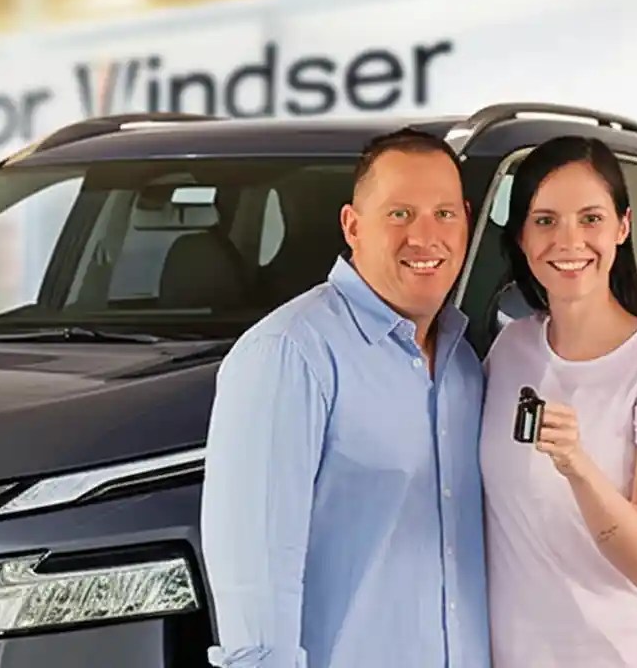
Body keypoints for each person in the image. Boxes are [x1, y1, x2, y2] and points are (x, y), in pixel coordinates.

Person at [200, 128, 491, 668]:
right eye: (400, 214)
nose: (426, 236)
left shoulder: (464, 367)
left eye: (444, 213)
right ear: (352, 227)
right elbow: (256, 580)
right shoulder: (289, 354)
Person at [479, 135, 637, 667]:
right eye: (544, 220)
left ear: (622, 227)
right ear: (520, 236)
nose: (568, 241)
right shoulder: (511, 347)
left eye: (590, 219)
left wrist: (578, 467)